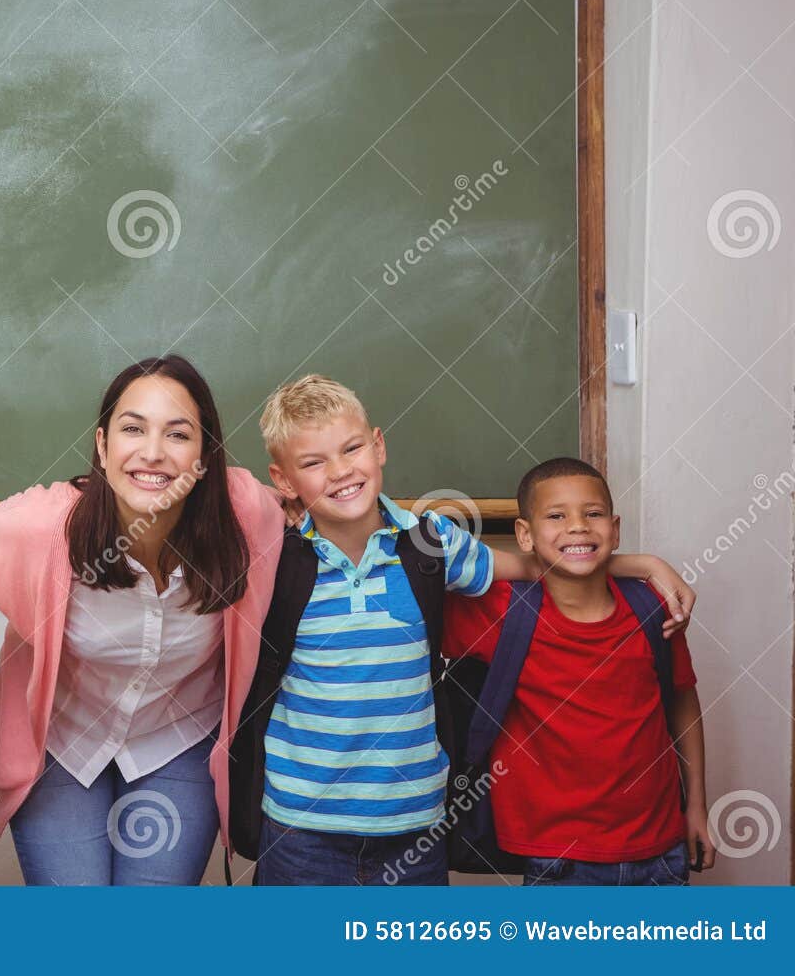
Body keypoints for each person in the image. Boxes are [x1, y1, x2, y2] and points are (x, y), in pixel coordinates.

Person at [254, 375, 696, 885]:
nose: (339, 471)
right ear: (284, 479)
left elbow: (539, 566)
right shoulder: (271, 554)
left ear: (378, 446)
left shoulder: (433, 543)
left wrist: (644, 563)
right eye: (313, 463)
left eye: (352, 448)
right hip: (301, 826)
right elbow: (216, 494)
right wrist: (267, 502)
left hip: (414, 823)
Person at [0, 354, 283, 884]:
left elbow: (324, 495)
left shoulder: (248, 516)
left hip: (176, 737)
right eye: (133, 429)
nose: (153, 453)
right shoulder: (41, 528)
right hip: (64, 743)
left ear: (206, 455)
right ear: (102, 445)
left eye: (179, 435)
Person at [444, 456, 714, 885]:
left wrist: (696, 806)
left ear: (615, 528)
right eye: (556, 516)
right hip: (555, 857)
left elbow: (682, 701)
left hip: (661, 847)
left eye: (593, 514)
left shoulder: (652, 608)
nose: (578, 527)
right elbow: (416, 576)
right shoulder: (499, 610)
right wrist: (644, 561)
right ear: (525, 535)